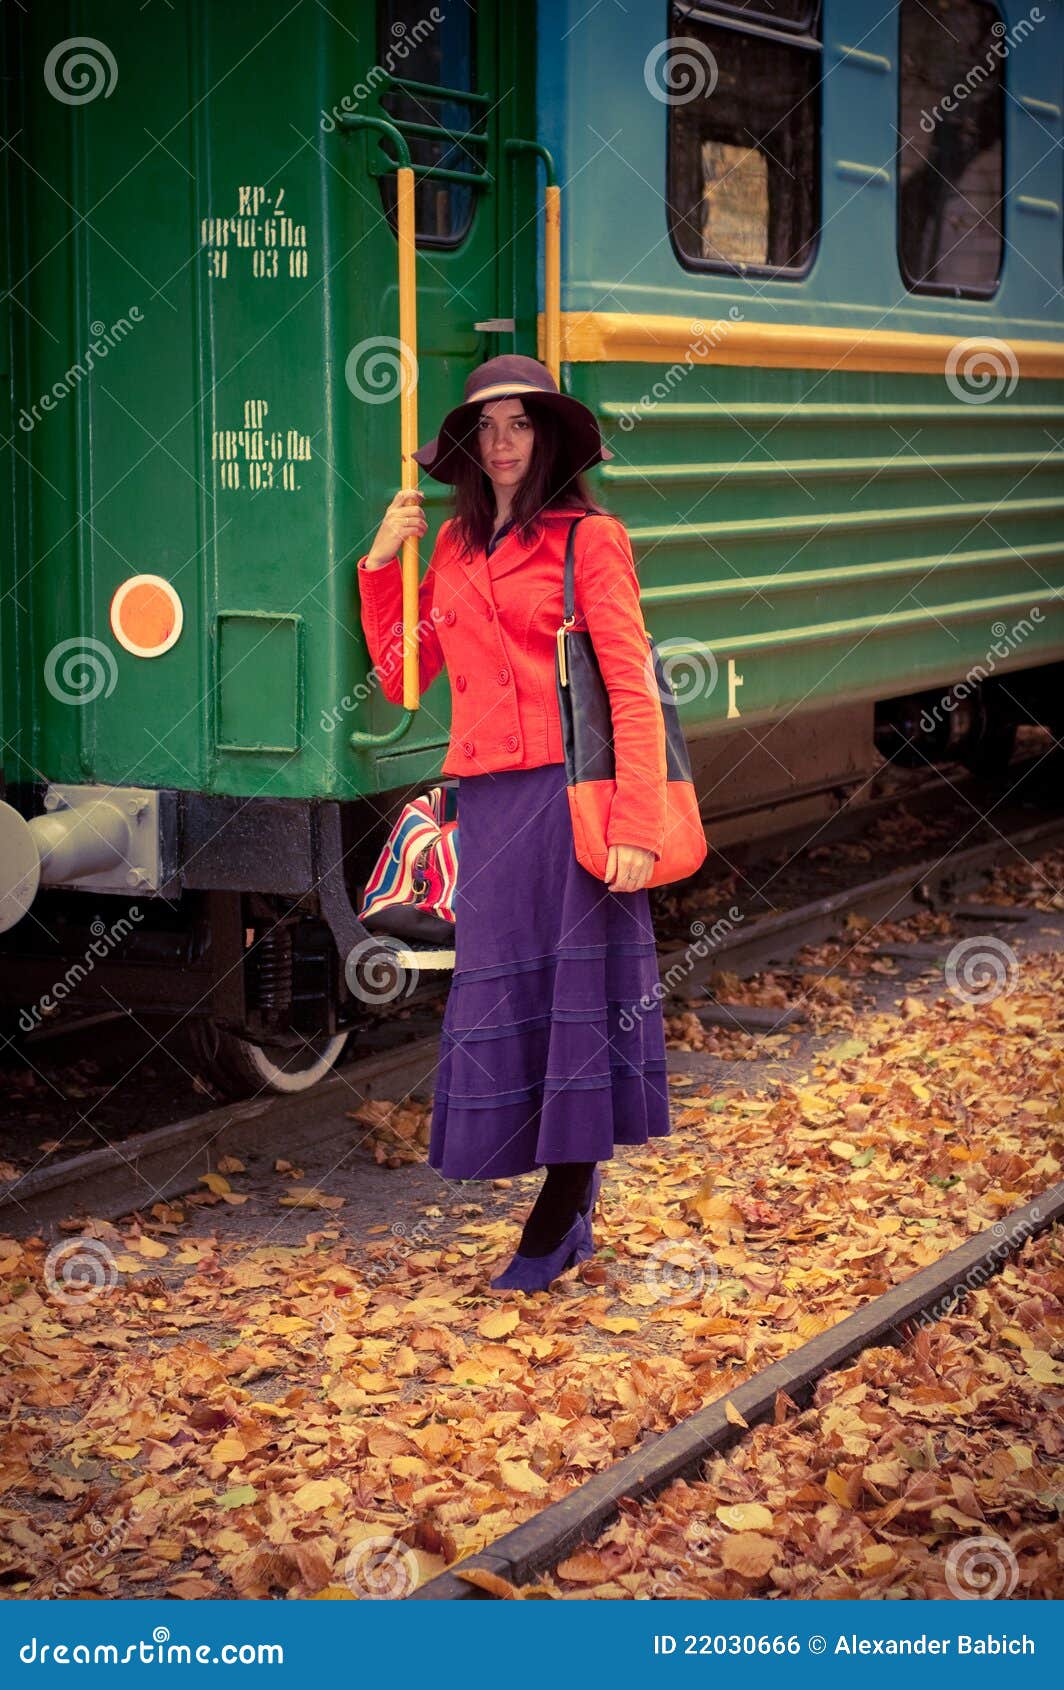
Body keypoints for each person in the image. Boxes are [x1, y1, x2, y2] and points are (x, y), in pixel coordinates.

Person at [356, 354, 671, 1292]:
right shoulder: (450, 548)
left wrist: (637, 822)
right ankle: (568, 1213)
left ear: (549, 438)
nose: (500, 444)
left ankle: (558, 1217)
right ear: (466, 444)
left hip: (572, 798)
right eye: (485, 427)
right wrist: (380, 564)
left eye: (519, 425)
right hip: (490, 802)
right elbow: (404, 677)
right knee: (511, 1001)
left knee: (575, 1006)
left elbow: (631, 687)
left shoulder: (591, 539)